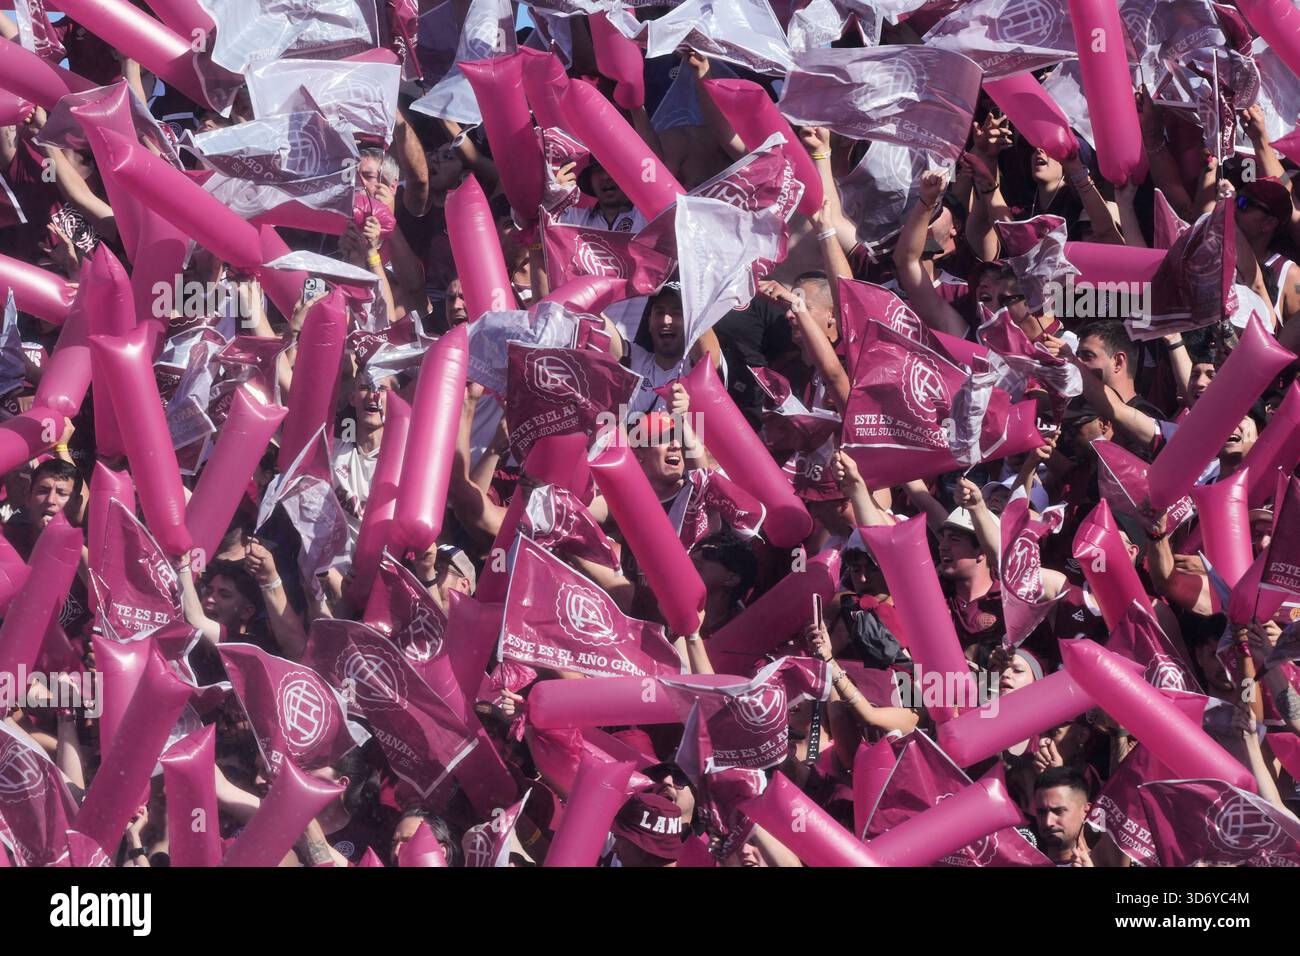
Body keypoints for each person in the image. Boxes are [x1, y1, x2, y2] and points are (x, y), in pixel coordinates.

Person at [1032, 766, 1094, 867]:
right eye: (1041, 812)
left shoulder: (1106, 862)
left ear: (1086, 811)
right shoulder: (1020, 862)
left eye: (1058, 811)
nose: (1048, 822)